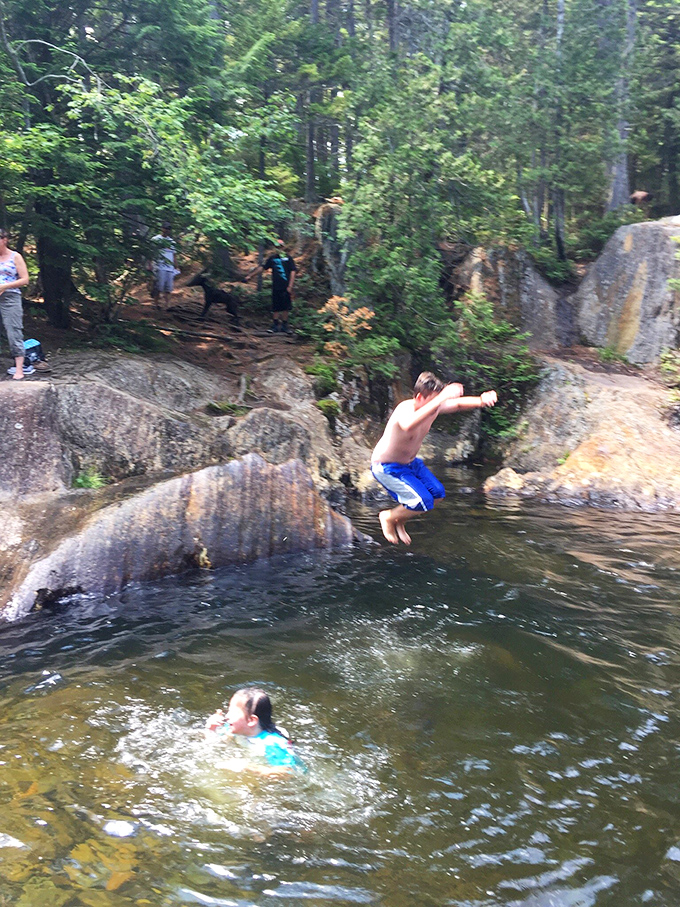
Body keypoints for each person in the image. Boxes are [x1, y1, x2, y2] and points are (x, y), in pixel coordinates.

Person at [371, 371, 497, 545]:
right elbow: (408, 425)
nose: (438, 404)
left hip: (411, 464)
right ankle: (388, 517)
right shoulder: (405, 409)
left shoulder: (434, 407)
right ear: (419, 397)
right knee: (421, 501)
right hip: (387, 467)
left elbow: (458, 404)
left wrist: (481, 400)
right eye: (434, 399)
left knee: (437, 494)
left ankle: (400, 520)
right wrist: (442, 397)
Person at [204, 688, 300, 776]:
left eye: (232, 712)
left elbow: (288, 771)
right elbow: (213, 744)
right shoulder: (235, 729)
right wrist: (211, 728)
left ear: (251, 720)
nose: (227, 716)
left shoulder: (271, 744)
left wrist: (248, 767)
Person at [246, 240, 296, 334]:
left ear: (283, 247)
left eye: (280, 246)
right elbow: (263, 268)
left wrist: (290, 285)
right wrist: (250, 275)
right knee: (276, 306)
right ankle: (275, 325)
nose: (279, 248)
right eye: (277, 246)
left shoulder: (288, 258)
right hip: (276, 286)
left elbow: (293, 271)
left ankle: (285, 326)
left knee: (286, 307)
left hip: (286, 286)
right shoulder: (272, 258)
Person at [0, 229, 30, 381]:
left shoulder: (15, 256)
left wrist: (5, 286)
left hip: (10, 297)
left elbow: (25, 280)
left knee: (14, 331)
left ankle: (19, 368)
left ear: (4, 239)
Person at [148, 222, 177, 309]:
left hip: (170, 268)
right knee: (158, 287)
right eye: (165, 228)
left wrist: (176, 266)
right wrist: (149, 264)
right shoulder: (155, 239)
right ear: (162, 228)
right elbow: (150, 252)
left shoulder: (172, 242)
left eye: (168, 229)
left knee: (168, 288)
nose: (166, 230)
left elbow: (174, 255)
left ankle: (167, 305)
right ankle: (156, 304)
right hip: (159, 266)